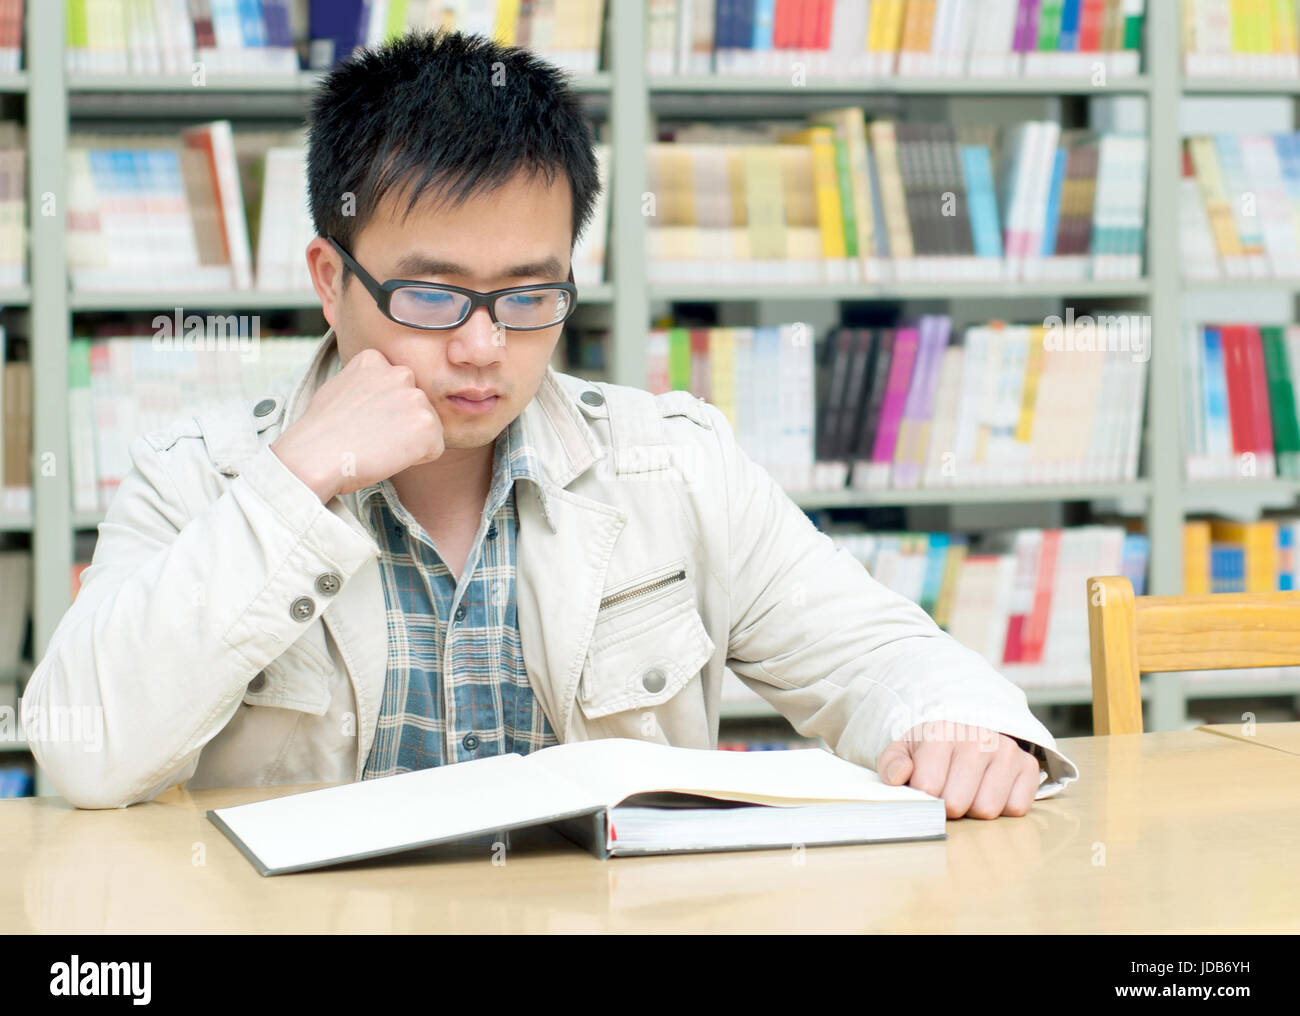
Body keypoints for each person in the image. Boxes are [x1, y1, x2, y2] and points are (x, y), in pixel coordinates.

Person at [23, 29, 1077, 816]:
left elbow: (881, 653)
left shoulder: (672, 463)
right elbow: (88, 751)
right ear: (329, 281)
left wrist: (955, 721)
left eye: (529, 295)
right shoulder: (200, 475)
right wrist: (293, 484)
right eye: (431, 297)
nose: (484, 347)